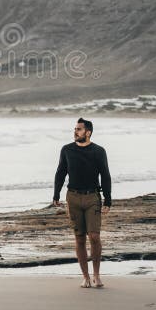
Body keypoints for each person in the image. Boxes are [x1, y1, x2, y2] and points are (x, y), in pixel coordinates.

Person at [52, 117, 112, 288]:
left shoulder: (99, 151)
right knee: (79, 238)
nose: (75, 132)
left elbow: (105, 175)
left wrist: (108, 199)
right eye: (75, 129)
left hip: (93, 197)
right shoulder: (67, 150)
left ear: (88, 132)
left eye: (79, 129)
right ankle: (85, 277)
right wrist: (55, 194)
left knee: (94, 236)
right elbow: (60, 173)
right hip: (73, 197)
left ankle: (97, 275)